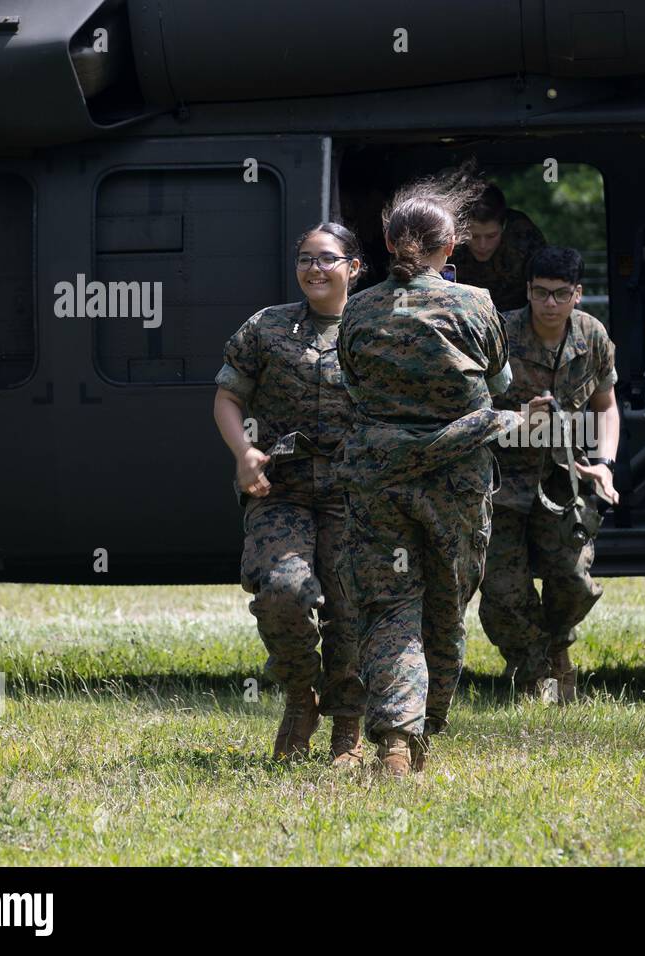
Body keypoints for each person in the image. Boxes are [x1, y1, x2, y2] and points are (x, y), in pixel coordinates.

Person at [337, 173, 551, 777]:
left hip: (378, 481)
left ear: (387, 241)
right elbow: (501, 387)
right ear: (449, 245)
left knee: (388, 605)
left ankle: (396, 740)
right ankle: (426, 723)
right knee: (447, 604)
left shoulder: (357, 311)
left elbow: (353, 389)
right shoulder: (475, 306)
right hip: (456, 481)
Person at [212, 222, 367, 764]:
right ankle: (301, 699)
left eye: (326, 259)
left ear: (354, 267)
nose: (313, 269)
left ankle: (348, 726)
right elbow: (228, 398)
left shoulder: (377, 328)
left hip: (355, 493)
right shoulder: (269, 327)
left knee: (350, 610)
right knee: (282, 591)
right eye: (304, 258)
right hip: (282, 489)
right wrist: (244, 453)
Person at [479, 246, 620, 702]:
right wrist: (520, 416)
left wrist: (605, 464)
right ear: (528, 291)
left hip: (564, 477)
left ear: (578, 294)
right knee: (502, 588)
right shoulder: (500, 332)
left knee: (573, 579)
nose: (550, 303)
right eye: (541, 293)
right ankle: (533, 667)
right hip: (501, 478)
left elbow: (607, 407)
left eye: (561, 294)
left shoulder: (592, 336)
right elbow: (472, 405)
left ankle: (557, 645)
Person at [451, 183, 547, 312]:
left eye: (491, 236)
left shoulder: (524, 237)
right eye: (474, 236)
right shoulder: (450, 239)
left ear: (504, 226)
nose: (482, 245)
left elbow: (545, 287)